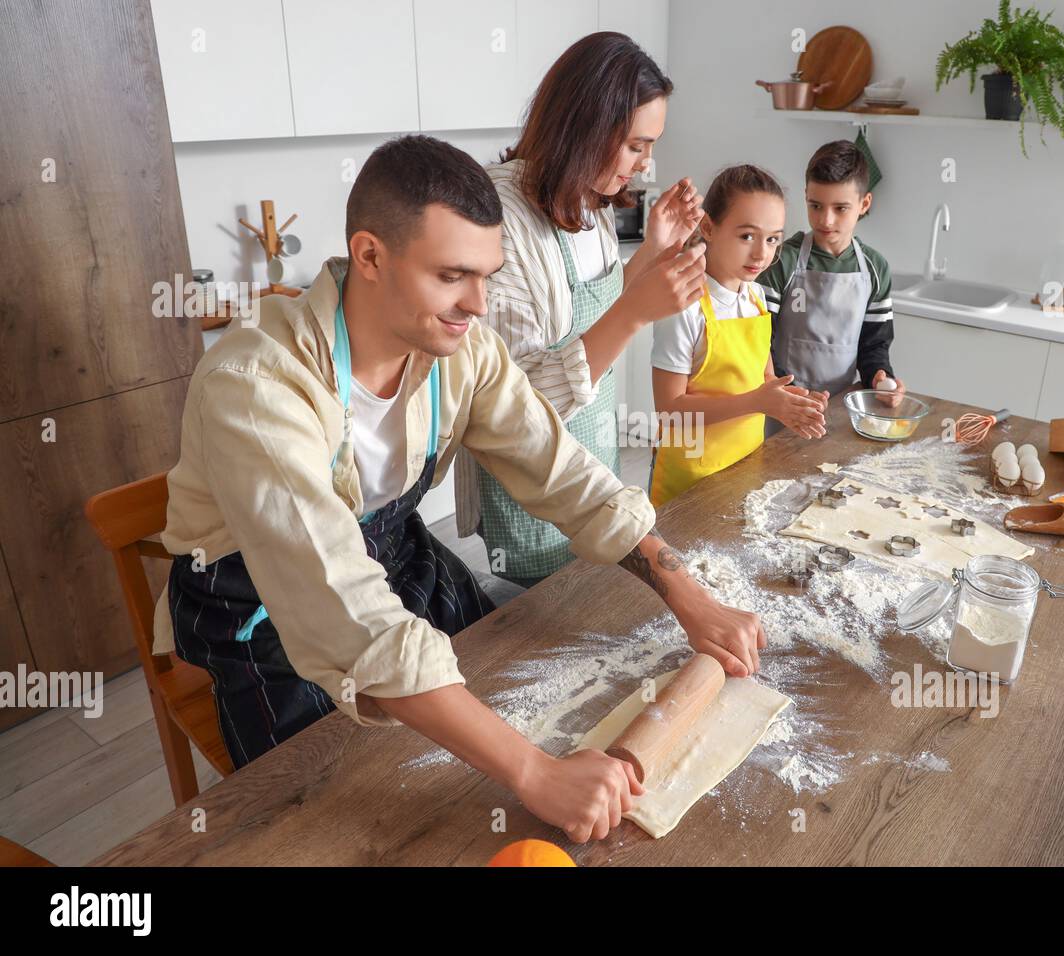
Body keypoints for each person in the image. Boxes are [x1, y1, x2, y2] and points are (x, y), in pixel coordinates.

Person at [157, 135, 764, 843]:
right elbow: (342, 609)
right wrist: (535, 775)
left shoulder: (460, 348)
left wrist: (687, 593)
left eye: (487, 275)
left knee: (521, 700)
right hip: (257, 608)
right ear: (370, 255)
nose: (478, 304)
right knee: (355, 820)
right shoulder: (257, 384)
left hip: (391, 554)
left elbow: (560, 470)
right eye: (452, 276)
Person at [456, 32, 706, 588]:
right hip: (535, 493)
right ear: (588, 127)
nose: (645, 165)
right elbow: (514, 411)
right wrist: (636, 314)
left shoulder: (589, 200)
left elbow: (593, 313)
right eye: (637, 145)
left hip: (591, 464)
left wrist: (653, 251)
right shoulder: (501, 220)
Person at [648, 165, 825, 506]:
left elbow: (765, 378)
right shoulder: (684, 305)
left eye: (773, 238)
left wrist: (792, 403)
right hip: (690, 480)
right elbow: (669, 410)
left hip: (745, 464)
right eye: (747, 236)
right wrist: (758, 402)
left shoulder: (756, 298)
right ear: (708, 227)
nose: (762, 253)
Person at [758, 140, 905, 427]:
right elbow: (759, 340)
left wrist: (880, 376)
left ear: (864, 204)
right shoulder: (781, 261)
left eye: (840, 208)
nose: (826, 219)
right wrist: (790, 393)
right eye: (816, 205)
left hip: (841, 408)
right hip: (783, 405)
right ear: (805, 196)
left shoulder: (875, 268)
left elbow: (874, 344)